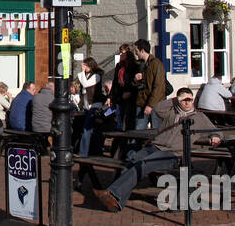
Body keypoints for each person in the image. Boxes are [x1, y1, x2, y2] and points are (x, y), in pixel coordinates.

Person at [94, 89, 224, 212]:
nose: (187, 102)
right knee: (132, 161)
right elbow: (157, 109)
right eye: (184, 100)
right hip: (155, 146)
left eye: (190, 99)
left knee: (144, 164)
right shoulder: (171, 112)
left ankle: (113, 193)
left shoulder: (199, 117)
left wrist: (215, 136)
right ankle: (116, 202)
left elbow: (217, 131)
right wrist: (174, 100)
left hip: (173, 153)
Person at [132, 39, 168, 129]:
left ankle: (153, 144)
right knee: (139, 131)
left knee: (156, 131)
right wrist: (136, 80)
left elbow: (159, 87)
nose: (136, 54)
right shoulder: (140, 65)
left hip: (155, 104)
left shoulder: (156, 64)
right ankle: (140, 144)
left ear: (142, 50)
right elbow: (140, 85)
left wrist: (150, 105)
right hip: (142, 102)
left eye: (136, 51)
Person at [111, 44, 137, 129]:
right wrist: (111, 97)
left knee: (128, 120)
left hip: (130, 97)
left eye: (122, 53)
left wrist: (129, 91)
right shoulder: (119, 66)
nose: (120, 55)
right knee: (120, 119)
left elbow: (133, 81)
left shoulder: (133, 65)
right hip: (120, 97)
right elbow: (115, 82)